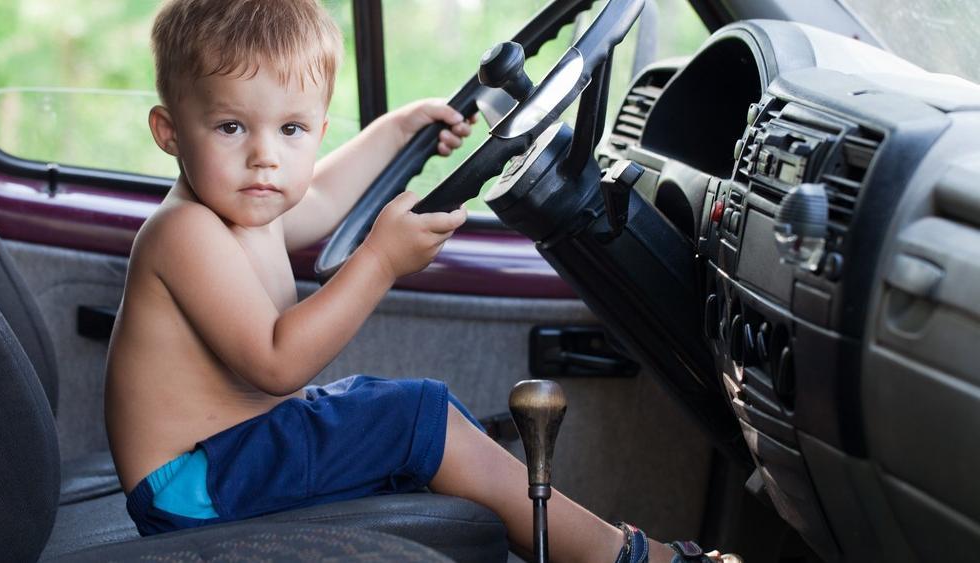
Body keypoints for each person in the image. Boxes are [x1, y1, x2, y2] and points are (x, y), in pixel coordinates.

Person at [105, 1, 735, 561]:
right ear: (169, 132)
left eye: (291, 129)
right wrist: (378, 262)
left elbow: (321, 194)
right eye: (231, 128)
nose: (265, 156)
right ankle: (618, 556)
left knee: (409, 409)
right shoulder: (184, 232)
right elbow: (276, 363)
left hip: (230, 461)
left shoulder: (246, 201)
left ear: (318, 132)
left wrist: (398, 132)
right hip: (192, 488)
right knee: (413, 414)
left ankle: (569, 535)